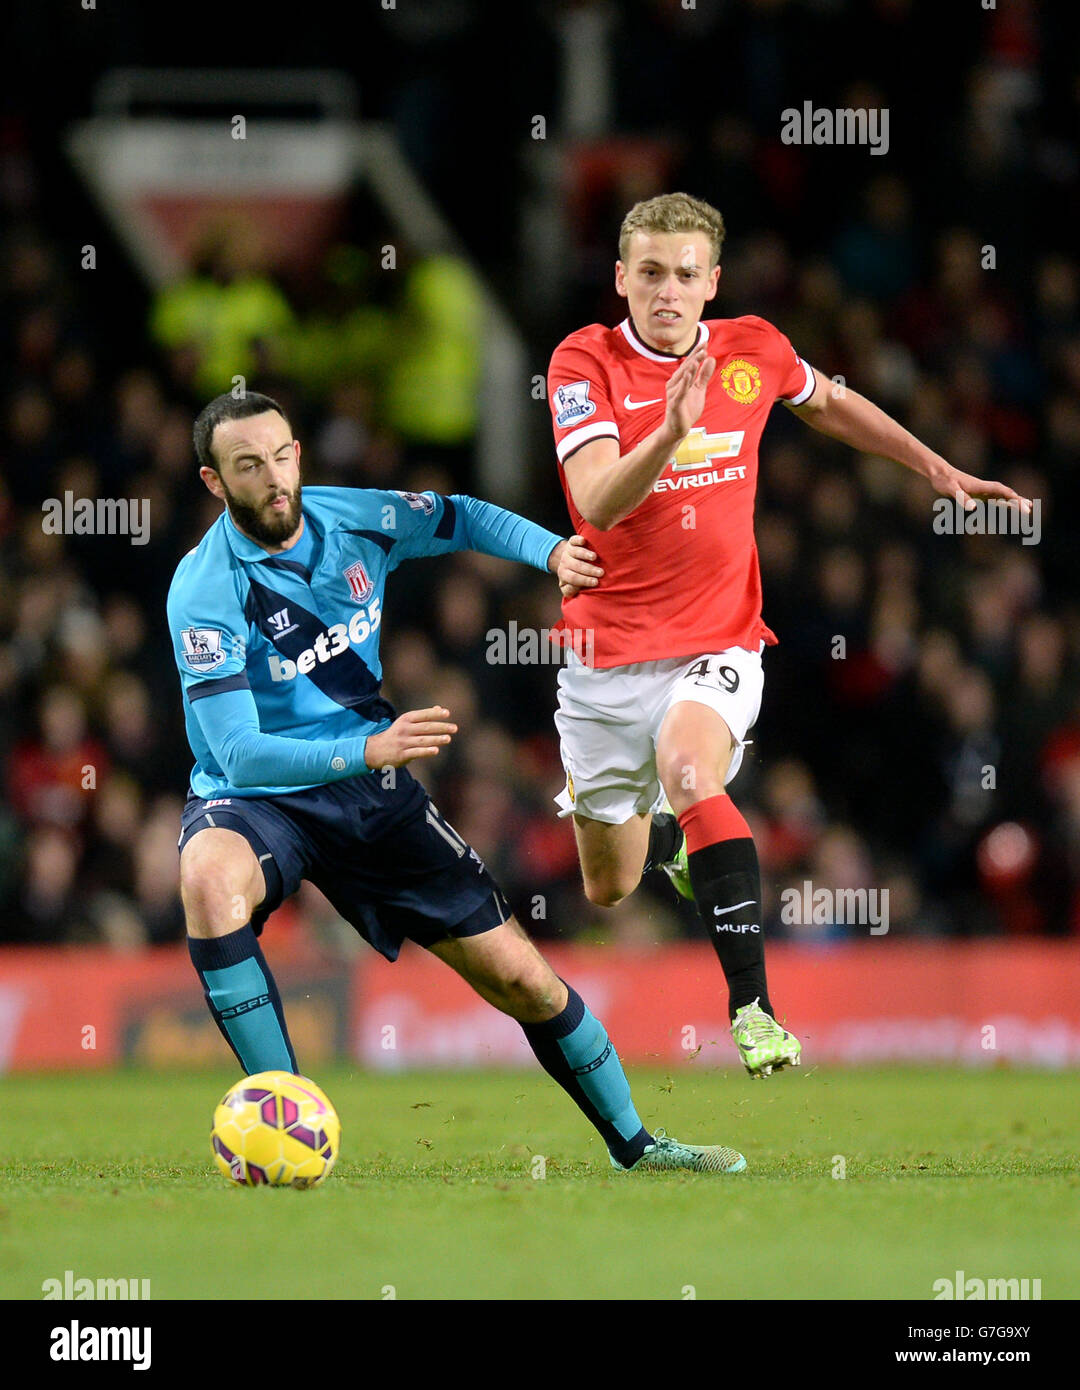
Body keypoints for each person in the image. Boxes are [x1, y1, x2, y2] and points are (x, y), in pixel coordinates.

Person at [167, 389, 746, 1174]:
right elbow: (239, 755)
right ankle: (285, 1115)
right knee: (206, 878)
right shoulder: (204, 588)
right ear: (214, 482)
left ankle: (638, 1148)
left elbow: (464, 515)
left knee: (522, 980)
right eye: (247, 467)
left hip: (372, 790)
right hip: (266, 795)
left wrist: (548, 552)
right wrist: (366, 752)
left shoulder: (357, 517)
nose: (272, 479)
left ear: (298, 452)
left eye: (280, 457)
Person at [547, 192, 1031, 1077]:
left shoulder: (753, 348)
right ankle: (674, 843)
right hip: (604, 657)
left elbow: (828, 402)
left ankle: (754, 1010)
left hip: (720, 638)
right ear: (620, 278)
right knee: (607, 884)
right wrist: (671, 433)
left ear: (712, 282)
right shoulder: (584, 362)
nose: (666, 292)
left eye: (685, 275)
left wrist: (934, 465)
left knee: (693, 771)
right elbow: (595, 503)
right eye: (648, 273)